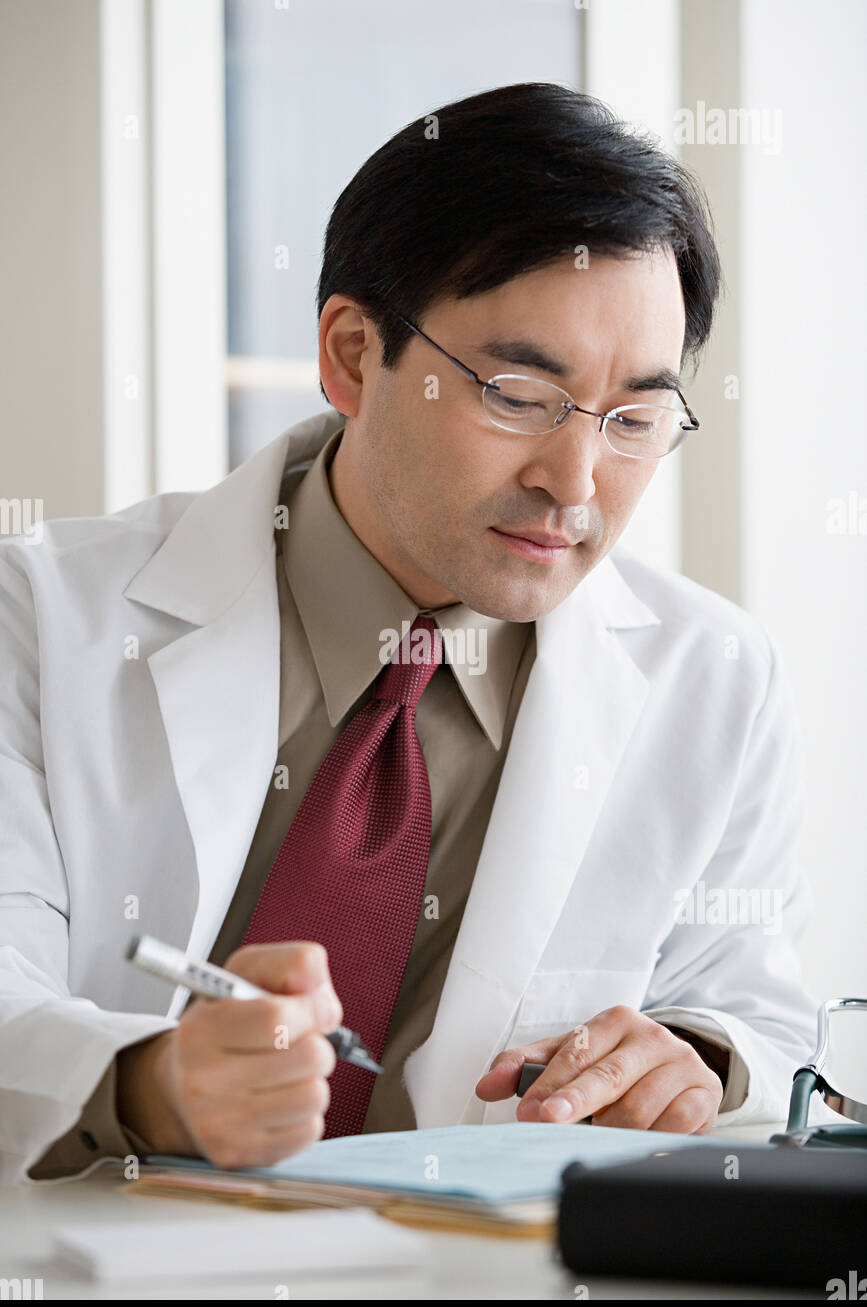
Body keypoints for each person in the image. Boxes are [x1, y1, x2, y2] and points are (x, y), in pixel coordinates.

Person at [0, 83, 817, 1185]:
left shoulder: (715, 676)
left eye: (634, 419)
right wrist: (147, 1081)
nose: (574, 483)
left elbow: (756, 1005)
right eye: (522, 393)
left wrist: (700, 1058)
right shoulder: (43, 615)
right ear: (350, 353)